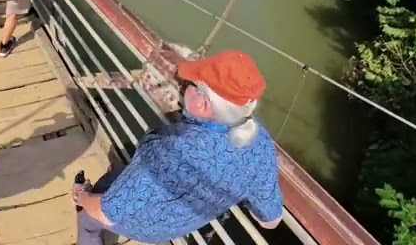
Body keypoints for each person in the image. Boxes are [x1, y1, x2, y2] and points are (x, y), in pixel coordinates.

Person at [71, 50, 284, 245]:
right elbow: (270, 221)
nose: (183, 88)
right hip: (179, 226)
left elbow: (106, 212)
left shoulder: (166, 150)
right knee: (119, 176)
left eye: (189, 84)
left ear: (203, 103)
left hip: (147, 228)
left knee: (87, 220)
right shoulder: (261, 143)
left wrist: (82, 196)